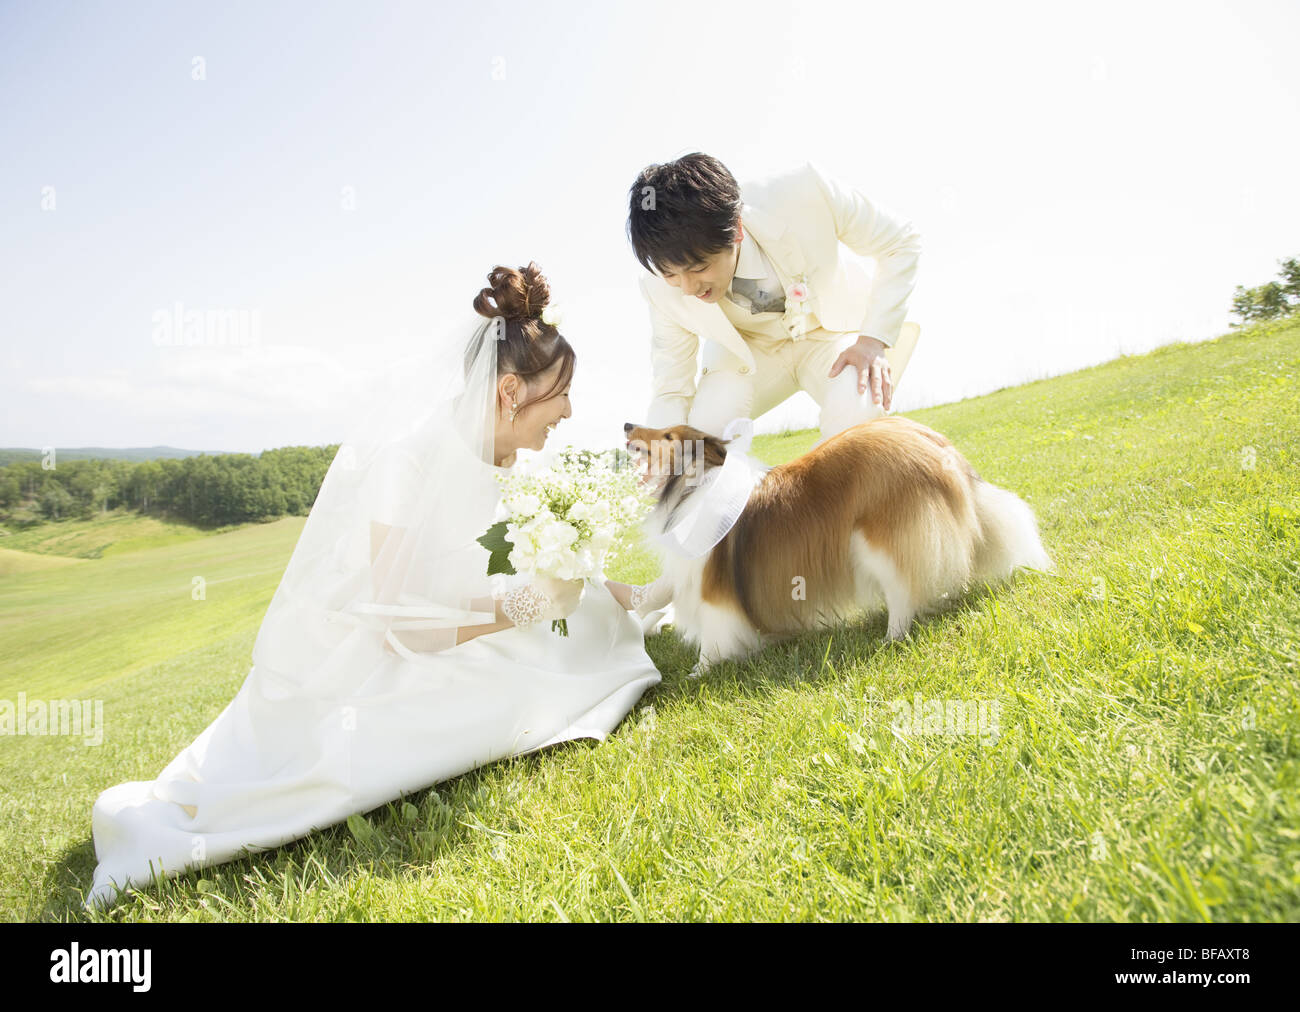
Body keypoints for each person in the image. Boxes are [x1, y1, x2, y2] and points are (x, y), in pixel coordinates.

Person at [85, 263, 662, 911]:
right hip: (360, 654)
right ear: (508, 391)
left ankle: (628, 606)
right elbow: (397, 626)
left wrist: (555, 585)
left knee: (557, 629)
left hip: (438, 623)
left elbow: (480, 574)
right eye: (560, 394)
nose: (570, 410)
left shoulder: (498, 454)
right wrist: (525, 606)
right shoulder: (405, 463)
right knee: (502, 685)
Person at [627, 153, 923, 445]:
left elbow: (900, 242)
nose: (688, 288)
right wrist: (659, 447)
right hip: (748, 357)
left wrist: (872, 341)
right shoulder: (657, 288)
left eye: (700, 267)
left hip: (832, 335)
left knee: (860, 402)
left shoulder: (804, 191)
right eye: (672, 275)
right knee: (703, 439)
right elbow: (672, 389)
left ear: (737, 230)